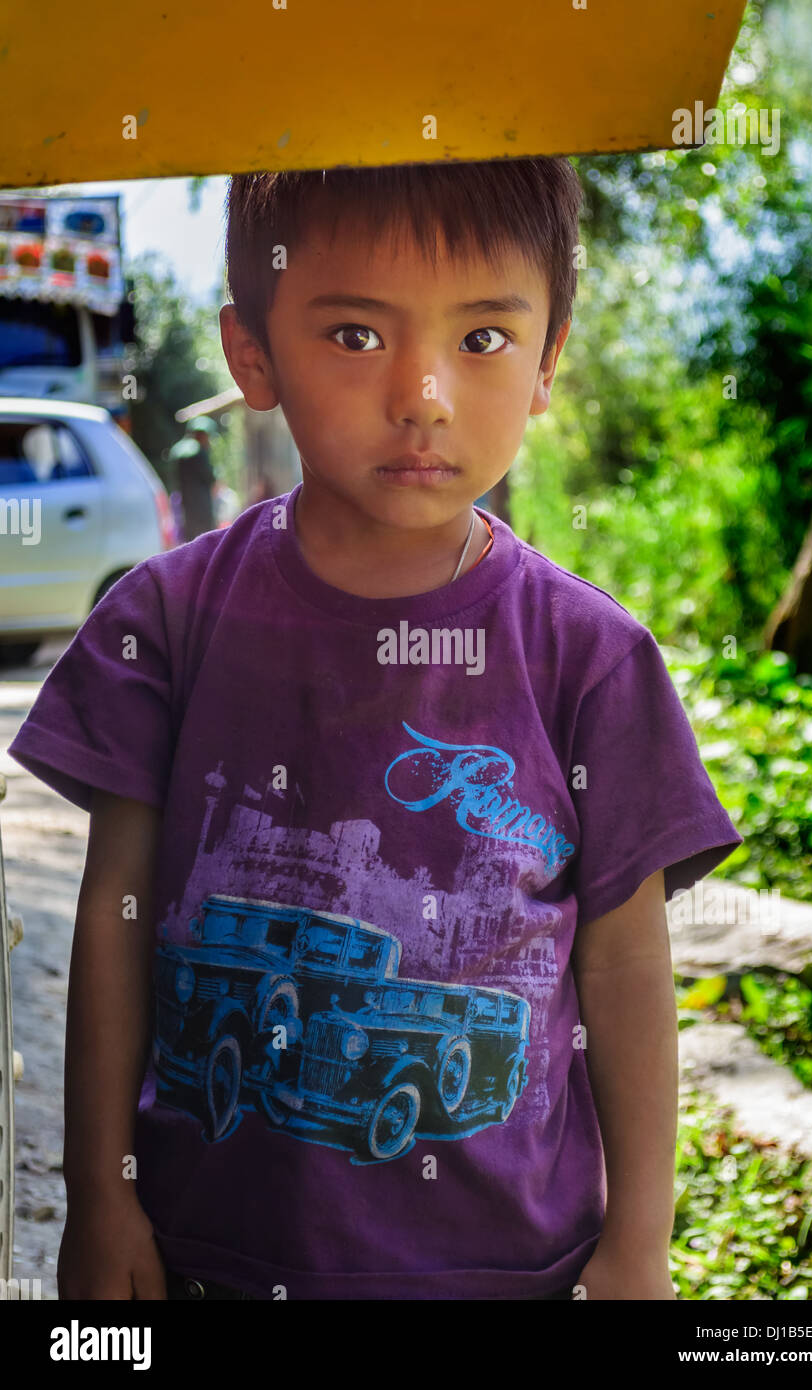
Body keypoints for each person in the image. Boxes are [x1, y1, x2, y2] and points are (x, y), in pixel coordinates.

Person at [8, 158, 743, 1302]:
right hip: (211, 1255)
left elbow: (625, 961)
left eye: (484, 340)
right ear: (251, 352)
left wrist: (637, 1244)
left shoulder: (592, 659)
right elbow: (119, 917)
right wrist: (102, 1195)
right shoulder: (168, 619)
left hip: (513, 1268)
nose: (425, 393)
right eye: (354, 334)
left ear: (548, 358)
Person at [168, 415, 218, 540]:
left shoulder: (178, 450)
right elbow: (210, 477)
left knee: (187, 539)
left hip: (183, 503)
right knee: (204, 539)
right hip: (201, 506)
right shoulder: (199, 451)